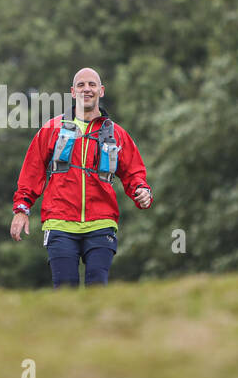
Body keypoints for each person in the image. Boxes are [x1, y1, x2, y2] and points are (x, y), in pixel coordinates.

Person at [10, 67, 151, 288]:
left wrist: (142, 192)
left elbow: (134, 173)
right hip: (60, 222)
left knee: (98, 287)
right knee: (65, 290)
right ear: (73, 92)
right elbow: (32, 170)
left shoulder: (116, 134)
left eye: (92, 85)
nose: (87, 89)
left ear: (101, 91)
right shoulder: (52, 129)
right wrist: (21, 209)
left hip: (102, 221)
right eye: (81, 85)